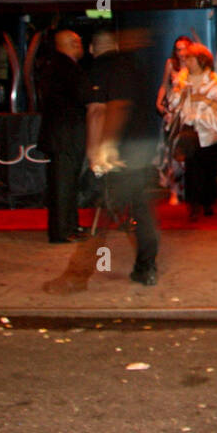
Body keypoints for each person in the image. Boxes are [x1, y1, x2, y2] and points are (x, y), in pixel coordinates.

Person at [86, 28, 160, 285]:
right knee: (137, 201)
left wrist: (105, 144)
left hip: (127, 145)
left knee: (116, 201)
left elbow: (109, 107)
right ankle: (145, 265)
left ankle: (142, 264)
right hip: (144, 140)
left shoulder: (108, 68)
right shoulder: (138, 66)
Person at [37, 29, 89, 244]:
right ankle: (60, 231)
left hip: (65, 135)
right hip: (64, 136)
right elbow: (78, 97)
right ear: (69, 44)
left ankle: (69, 226)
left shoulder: (61, 66)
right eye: (77, 42)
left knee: (68, 184)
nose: (81, 46)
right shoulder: (61, 67)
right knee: (63, 185)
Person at [174, 42, 217, 218]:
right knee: (191, 168)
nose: (186, 61)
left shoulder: (212, 80)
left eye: (190, 58)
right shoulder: (182, 80)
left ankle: (208, 202)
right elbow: (174, 103)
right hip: (190, 129)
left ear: (200, 60)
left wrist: (204, 100)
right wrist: (181, 94)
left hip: (209, 129)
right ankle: (193, 203)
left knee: (208, 167)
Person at [155, 36, 194, 206]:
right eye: (178, 49)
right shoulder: (171, 64)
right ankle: (174, 191)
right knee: (172, 153)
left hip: (189, 113)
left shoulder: (195, 65)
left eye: (184, 48)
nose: (181, 53)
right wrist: (159, 101)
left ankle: (189, 189)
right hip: (173, 112)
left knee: (187, 153)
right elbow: (165, 85)